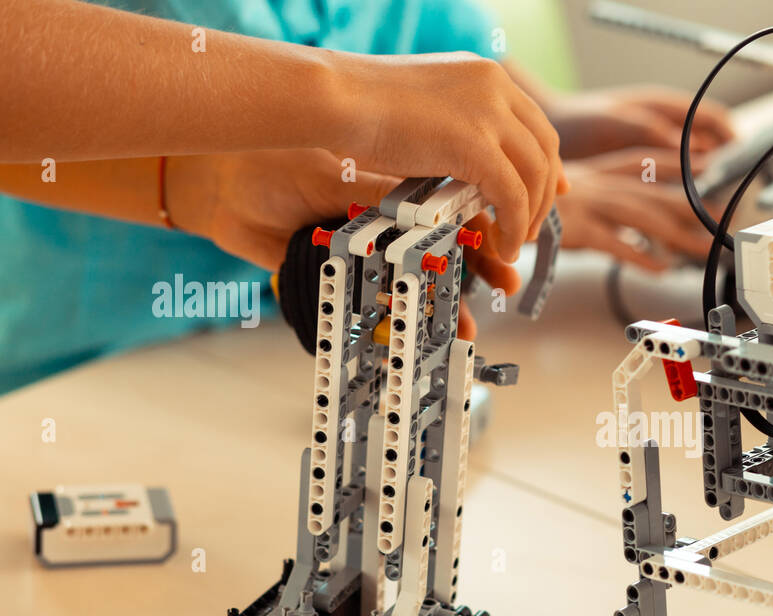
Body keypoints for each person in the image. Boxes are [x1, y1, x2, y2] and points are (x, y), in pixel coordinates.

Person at [0, 0, 732, 392]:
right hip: (90, 368)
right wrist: (351, 98)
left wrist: (535, 122)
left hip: (288, 343)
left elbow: (410, 23)